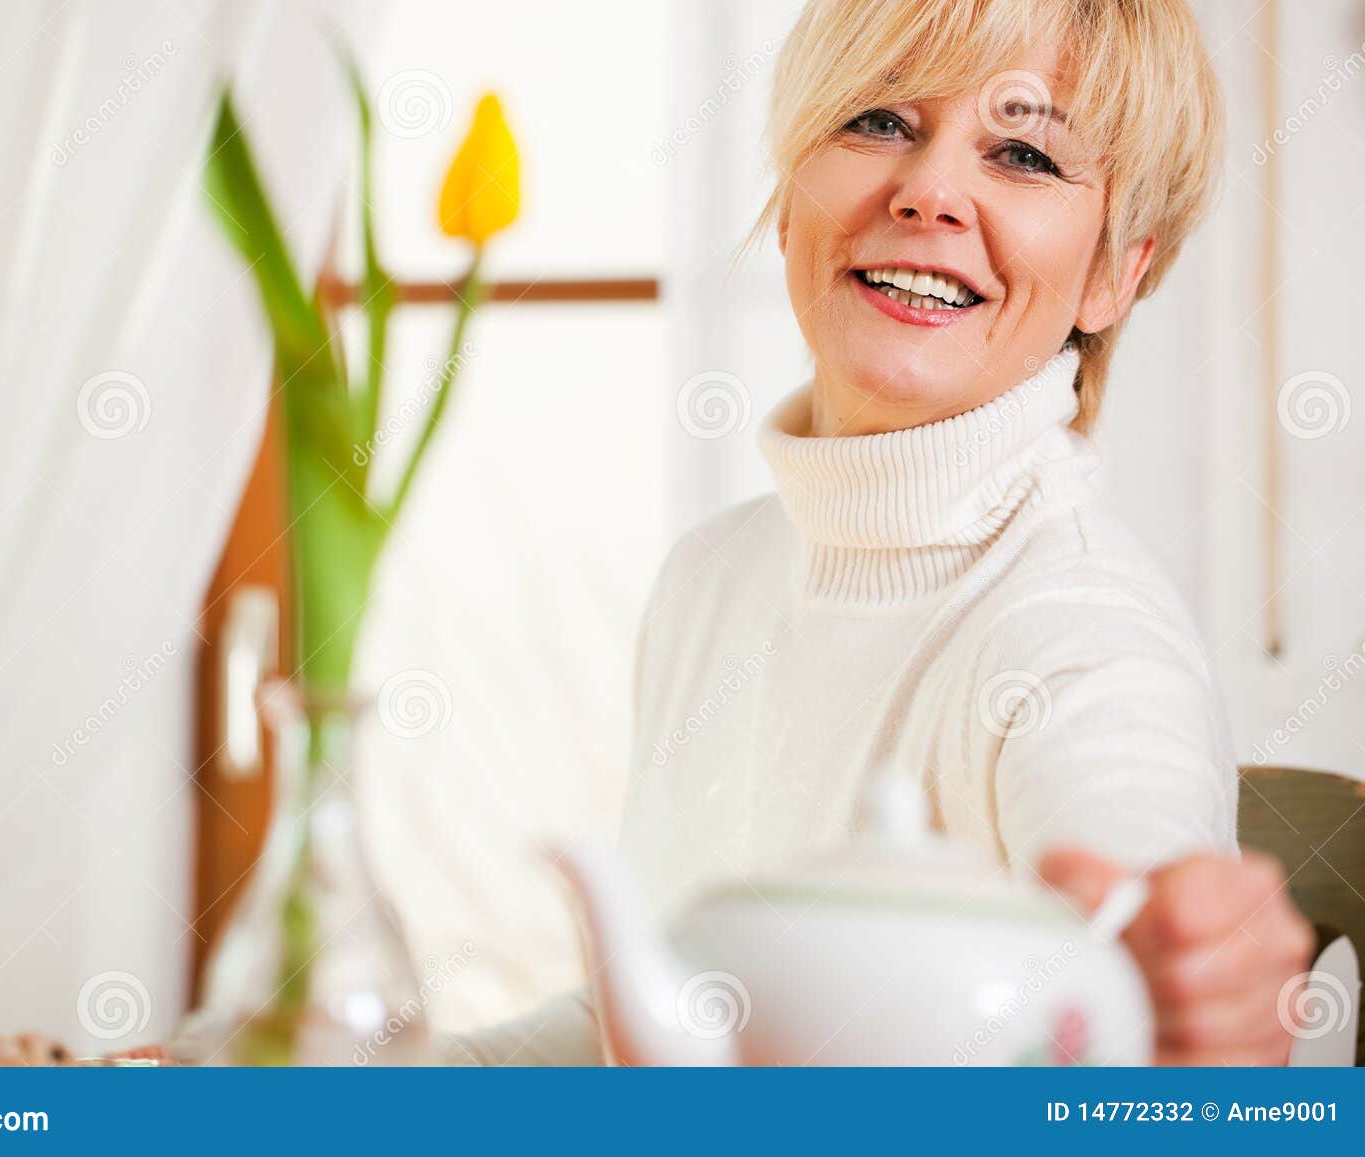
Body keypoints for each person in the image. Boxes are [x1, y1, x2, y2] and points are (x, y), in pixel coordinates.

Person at [444, 0, 1314, 1066]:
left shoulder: (1081, 637)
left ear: (1113, 274)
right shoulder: (712, 577)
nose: (930, 191)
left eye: (1024, 153)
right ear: (786, 191)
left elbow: (1145, 941)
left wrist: (1190, 991)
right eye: (877, 122)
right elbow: (665, 1021)